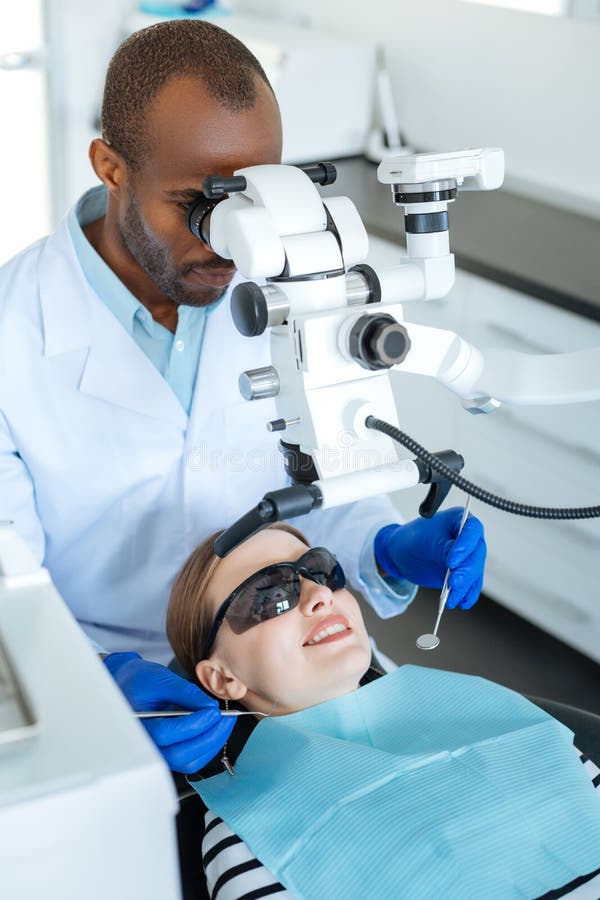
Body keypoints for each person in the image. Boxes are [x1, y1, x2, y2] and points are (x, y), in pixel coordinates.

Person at [0, 19, 485, 774]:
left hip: (286, 671)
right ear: (110, 166)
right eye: (200, 204)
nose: (232, 243)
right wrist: (93, 679)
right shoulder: (10, 334)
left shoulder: (294, 279)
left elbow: (332, 472)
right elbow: (10, 595)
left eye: (254, 202)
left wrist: (384, 551)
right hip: (108, 678)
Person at [167, 523, 600, 900]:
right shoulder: (249, 835)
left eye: (320, 571)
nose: (320, 595)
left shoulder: (492, 715)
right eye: (270, 595)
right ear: (223, 679)